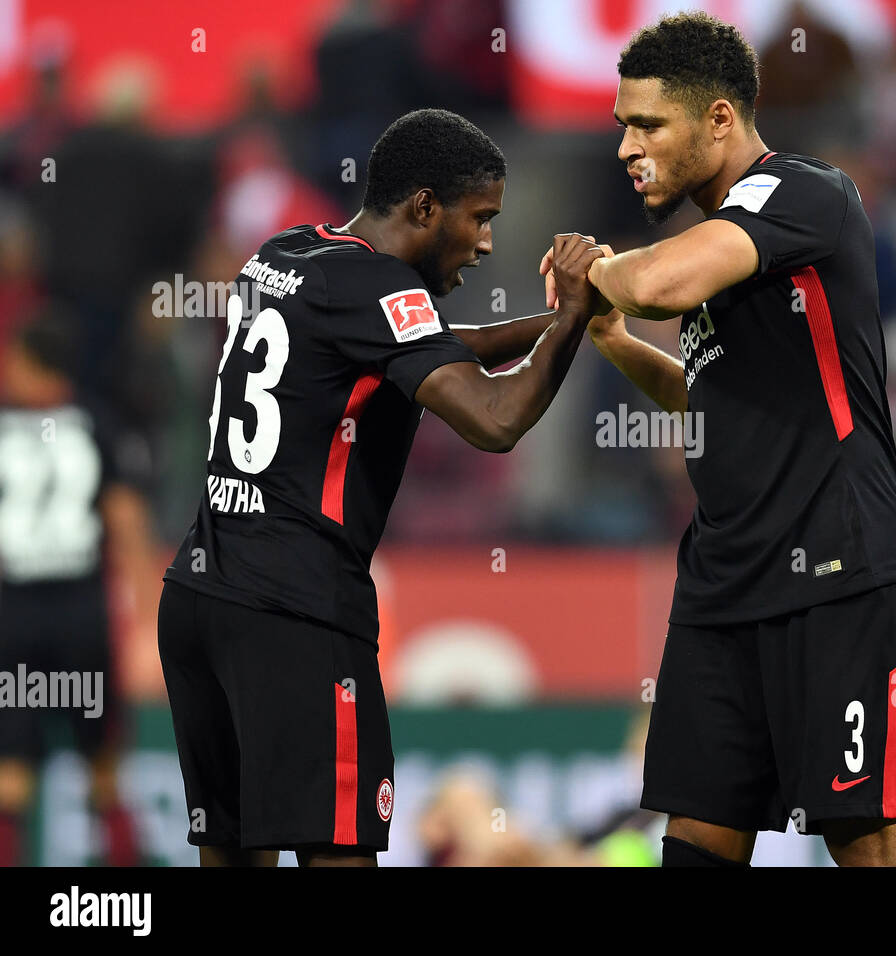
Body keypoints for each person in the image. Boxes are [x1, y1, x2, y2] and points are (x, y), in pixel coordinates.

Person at [158, 108, 608, 867]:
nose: (488, 241)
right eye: (481, 218)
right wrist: (571, 325)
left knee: (232, 857)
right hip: (297, 612)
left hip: (202, 596)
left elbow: (422, 341)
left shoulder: (285, 253)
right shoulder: (380, 291)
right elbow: (493, 421)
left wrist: (554, 318)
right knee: (341, 853)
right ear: (425, 206)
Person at [542, 13, 896, 866]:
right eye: (621, 127)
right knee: (694, 843)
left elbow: (662, 279)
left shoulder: (804, 194)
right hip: (724, 580)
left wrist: (594, 272)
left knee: (867, 841)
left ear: (719, 119)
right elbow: (707, 400)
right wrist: (610, 340)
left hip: (840, 567)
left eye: (647, 125)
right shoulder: (730, 246)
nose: (626, 148)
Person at [0, 313, 157, 866]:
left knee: (9, 775)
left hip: (12, 616)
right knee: (105, 767)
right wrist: (147, 616)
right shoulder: (96, 421)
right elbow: (126, 518)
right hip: (81, 616)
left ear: (30, 362)